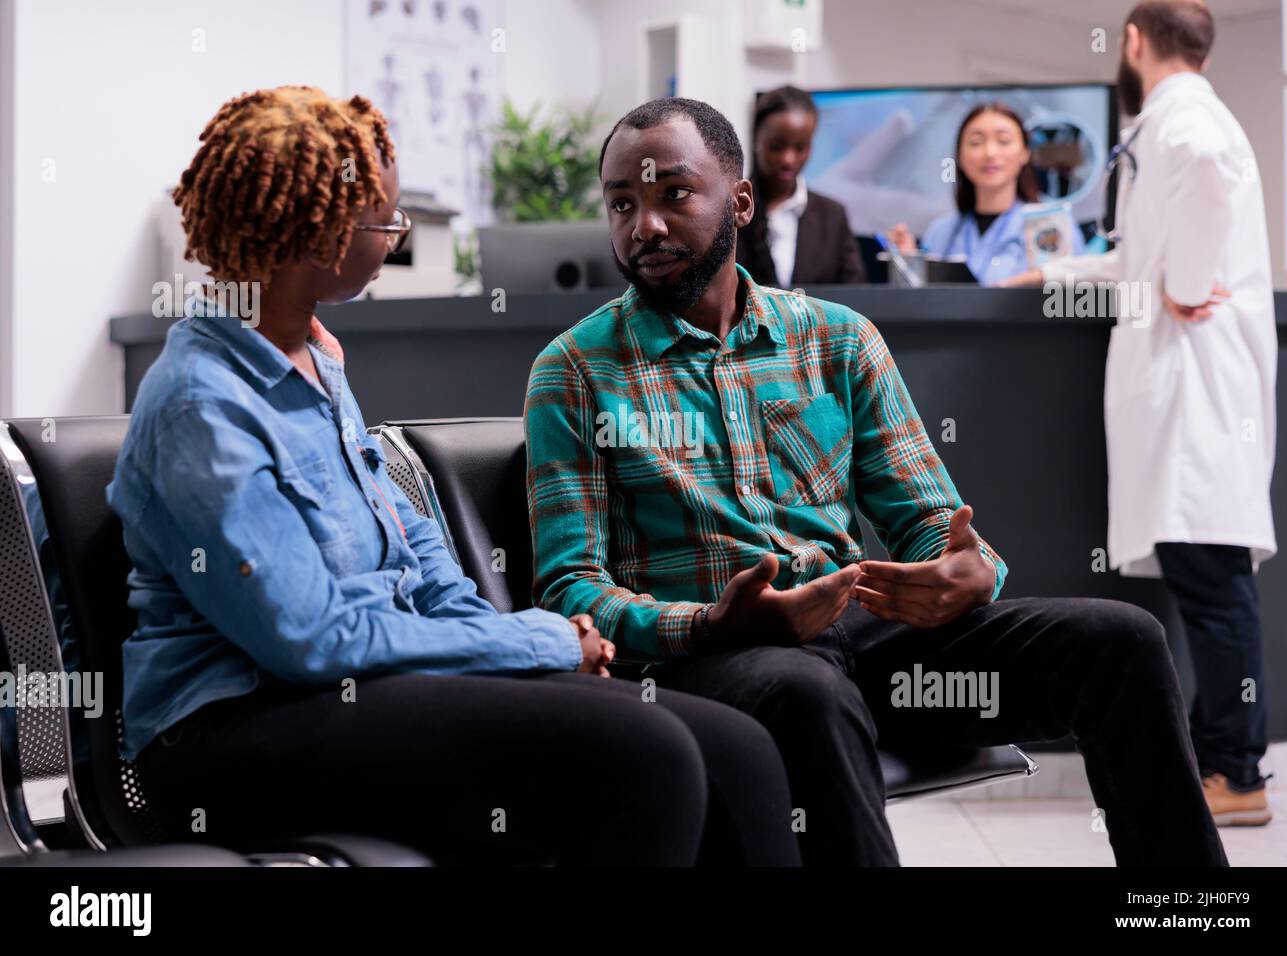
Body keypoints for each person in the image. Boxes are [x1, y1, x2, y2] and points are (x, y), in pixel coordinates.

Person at [524, 95, 1229, 867]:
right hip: (713, 662)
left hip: (860, 630)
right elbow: (570, 592)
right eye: (622, 203)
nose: (644, 226)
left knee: (1120, 640)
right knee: (806, 692)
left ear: (741, 200)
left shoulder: (838, 339)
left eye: (672, 195)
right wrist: (712, 623)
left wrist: (967, 571)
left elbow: (933, 523)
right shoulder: (575, 371)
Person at [107, 85, 801, 866]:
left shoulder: (317, 361)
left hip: (362, 685)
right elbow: (312, 640)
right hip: (232, 728)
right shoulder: (203, 405)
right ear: (324, 235)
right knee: (649, 755)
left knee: (736, 749)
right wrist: (534, 643)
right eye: (385, 221)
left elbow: (415, 558)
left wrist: (502, 641)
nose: (395, 235)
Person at [1003, 0, 1277, 826]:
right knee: (1206, 581)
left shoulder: (1185, 124)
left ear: (1131, 42)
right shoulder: (1168, 122)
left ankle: (1237, 772)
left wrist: (1185, 286)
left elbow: (1186, 228)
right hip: (1181, 392)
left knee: (1215, 584)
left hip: (1199, 395)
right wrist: (1051, 278)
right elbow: (1134, 260)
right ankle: (1219, 760)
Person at [888, 103, 1086, 285]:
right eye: (976, 142)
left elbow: (1067, 302)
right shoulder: (940, 232)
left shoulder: (1051, 225)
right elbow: (923, 308)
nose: (990, 153)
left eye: (1003, 141)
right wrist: (909, 262)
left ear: (1025, 153)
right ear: (960, 156)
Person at [735, 86, 866, 287]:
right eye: (776, 146)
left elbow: (855, 294)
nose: (788, 159)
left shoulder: (832, 216)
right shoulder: (731, 209)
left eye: (800, 147)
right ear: (756, 140)